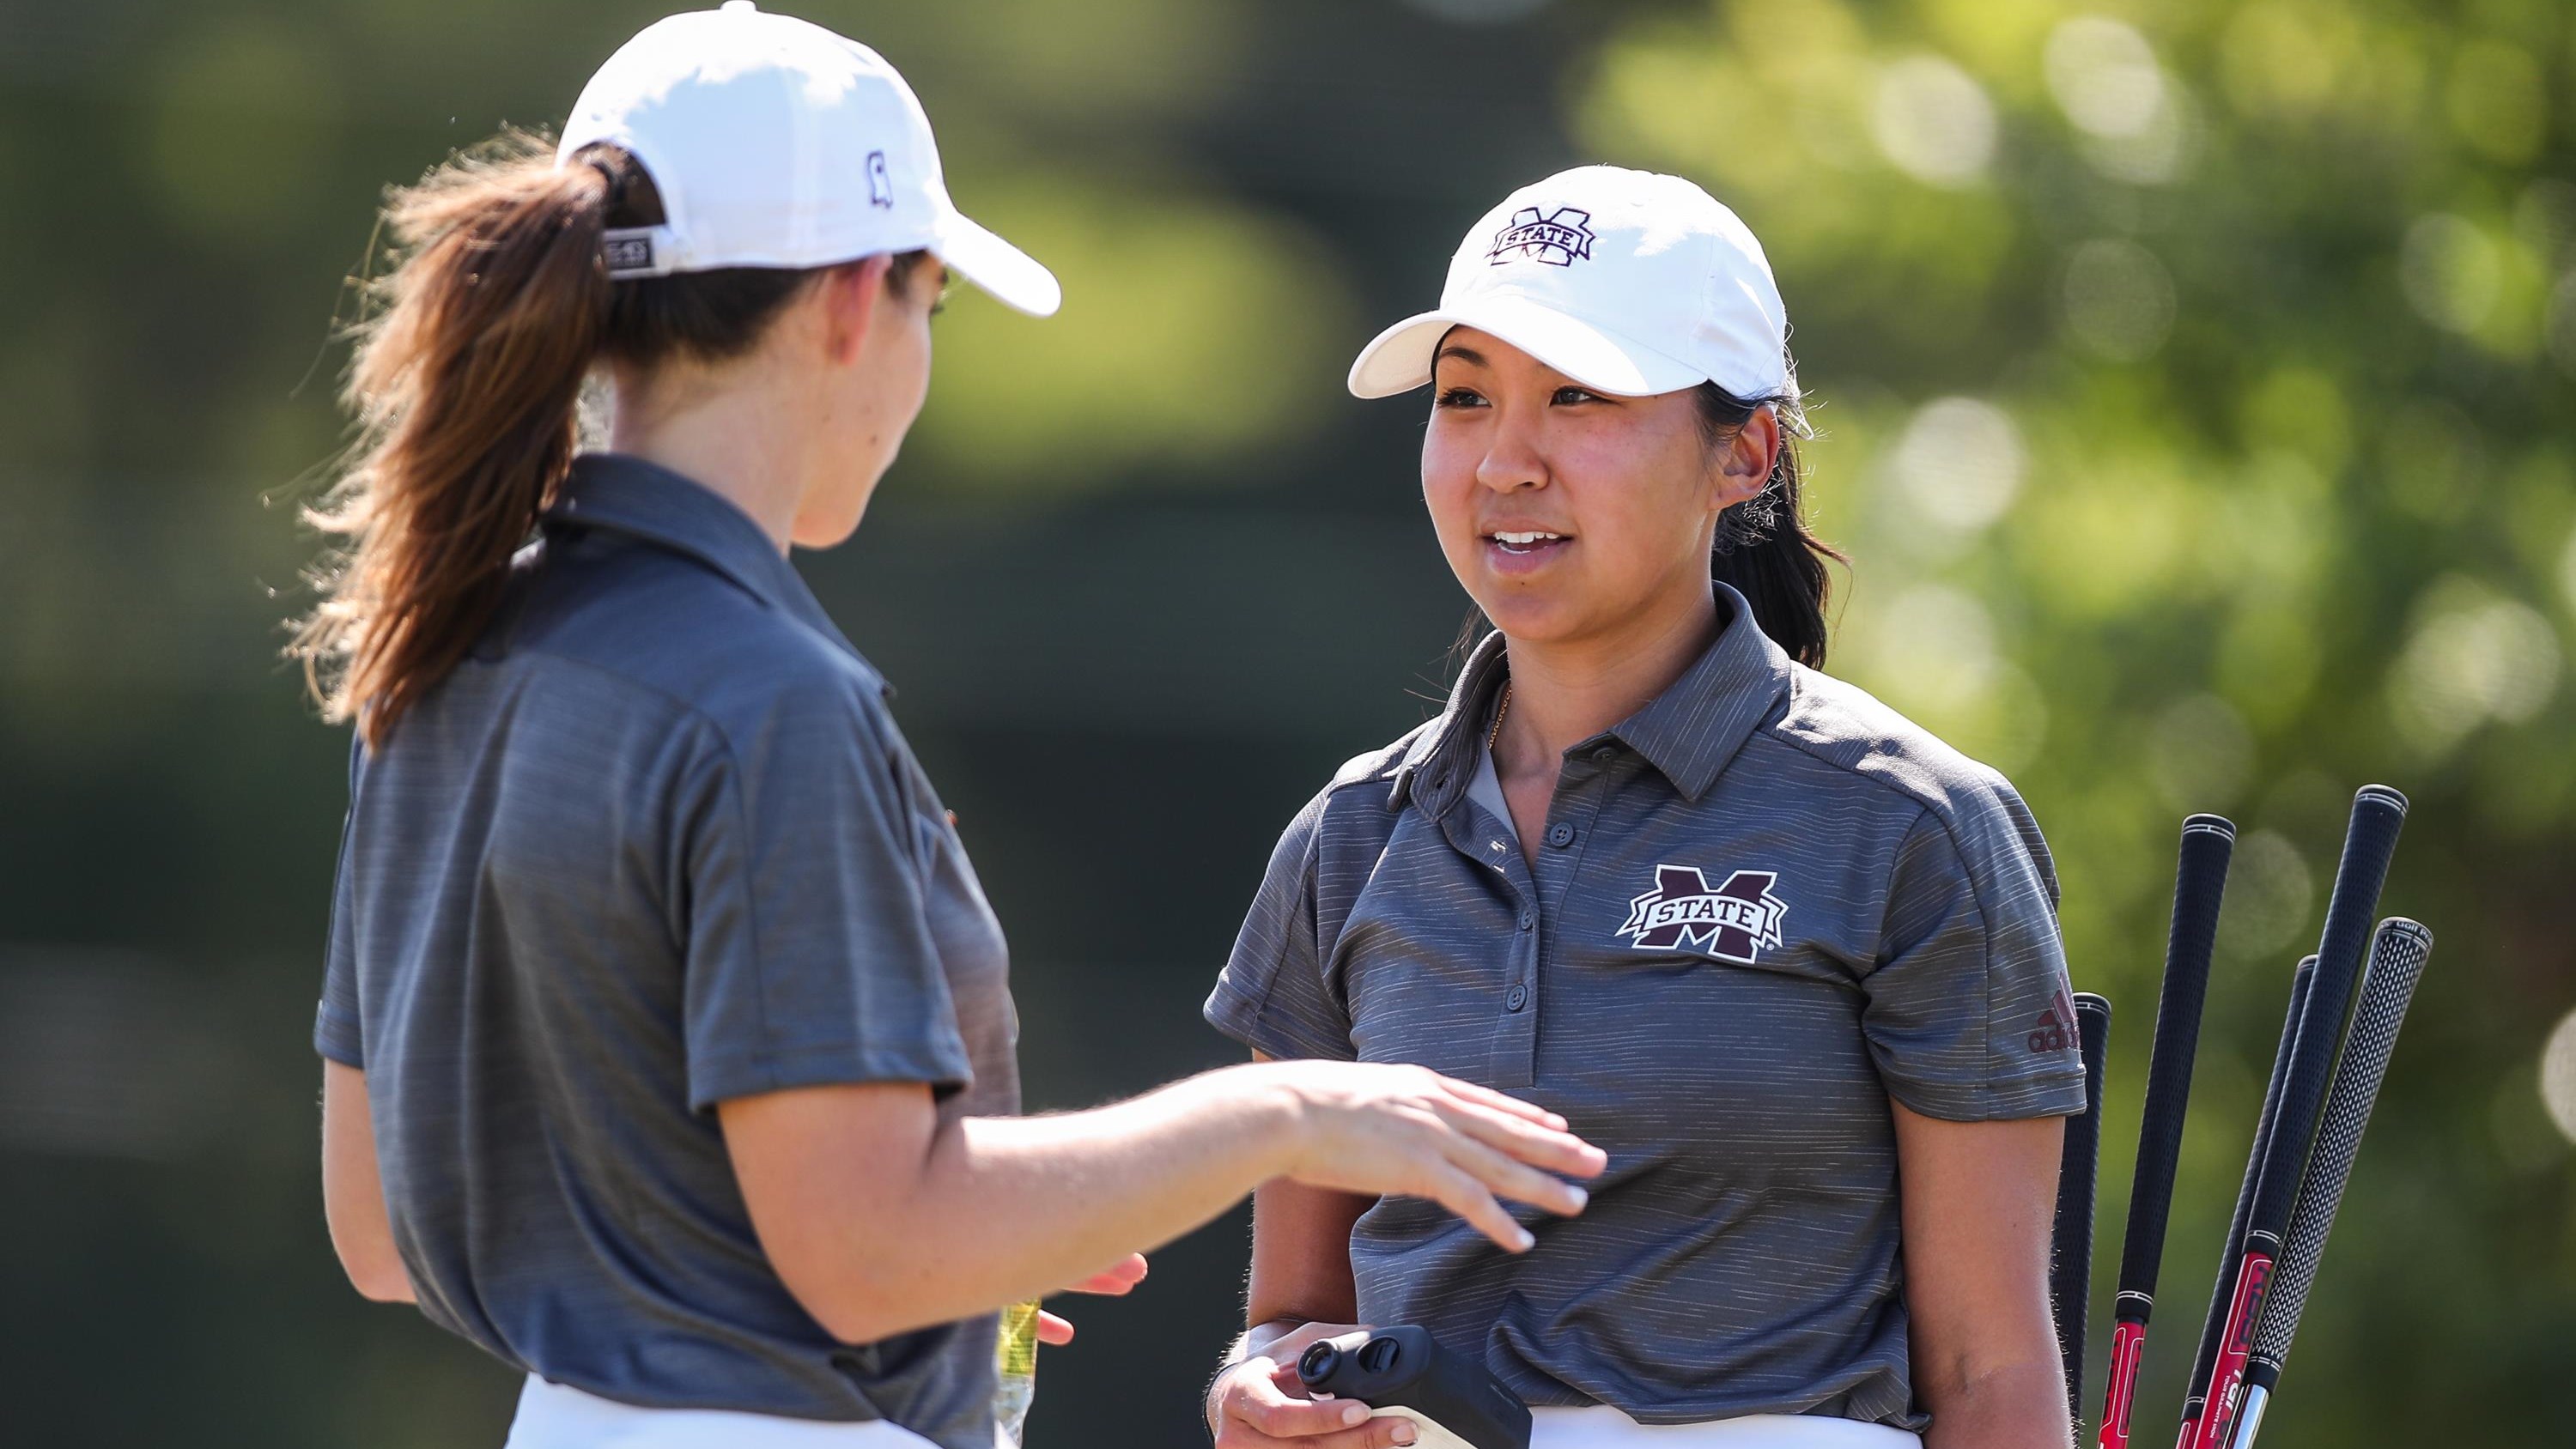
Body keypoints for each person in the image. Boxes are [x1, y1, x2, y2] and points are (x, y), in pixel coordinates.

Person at [292, 9, 1602, 1449]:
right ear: (858, 300)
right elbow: (864, 1253)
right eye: (932, 306)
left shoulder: (442, 644)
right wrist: (1288, 1116)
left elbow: (382, 1227)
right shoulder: (768, 699)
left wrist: (961, 1242)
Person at [1200, 167, 2088, 1449]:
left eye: (1581, 397)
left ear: (1744, 452)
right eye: (1465, 398)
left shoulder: (1913, 827)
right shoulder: (1349, 839)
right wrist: (1259, 1386)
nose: (1507, 461)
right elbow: (1293, 1312)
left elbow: (1992, 1371)